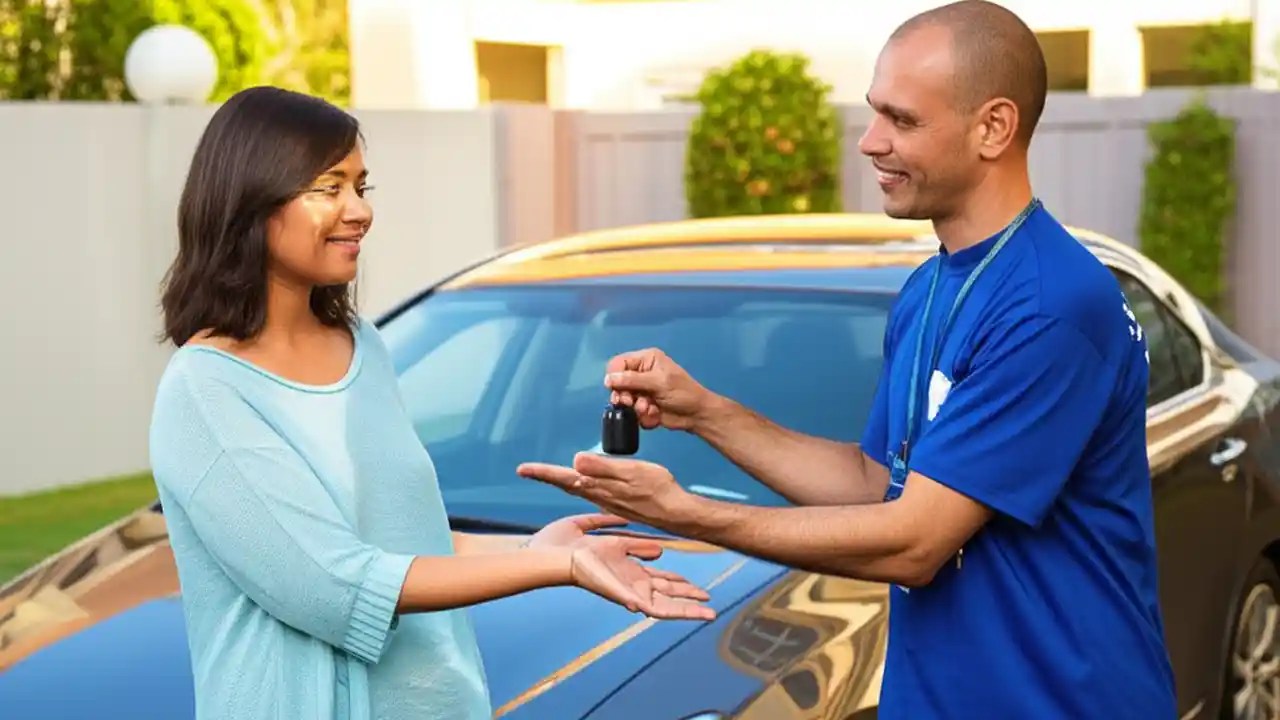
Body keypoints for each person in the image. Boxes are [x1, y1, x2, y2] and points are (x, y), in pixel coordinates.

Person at [516, 2, 1178, 718]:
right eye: (874, 114)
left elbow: (914, 542)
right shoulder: (933, 284)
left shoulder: (1051, 304)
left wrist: (683, 512)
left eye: (902, 120)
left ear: (994, 127)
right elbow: (874, 483)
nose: (869, 141)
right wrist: (705, 414)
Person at [147, 85, 715, 720]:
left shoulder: (360, 347)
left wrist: (535, 550)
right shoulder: (206, 390)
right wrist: (560, 569)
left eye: (362, 187)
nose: (358, 210)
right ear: (250, 202)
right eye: (328, 188)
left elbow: (407, 541)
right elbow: (334, 587)